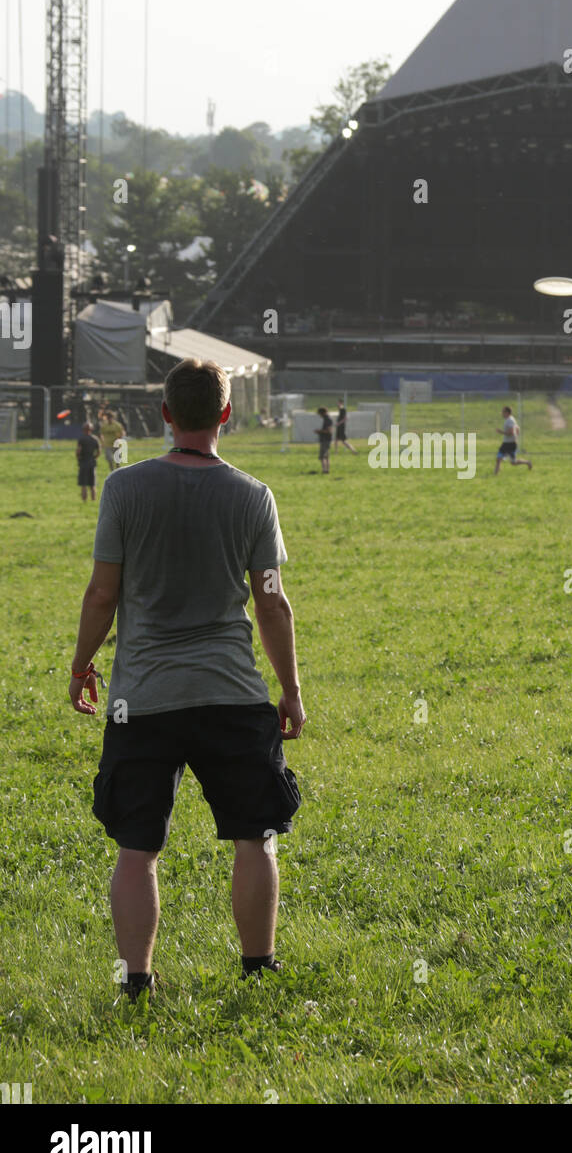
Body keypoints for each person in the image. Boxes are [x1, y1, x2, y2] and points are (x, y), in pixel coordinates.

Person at [67, 357, 305, 1001]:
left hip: (141, 700)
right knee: (255, 836)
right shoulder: (253, 495)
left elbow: (101, 593)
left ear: (166, 414)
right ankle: (258, 968)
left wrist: (82, 663)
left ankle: (137, 982)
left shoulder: (123, 489)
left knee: (136, 846)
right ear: (226, 413)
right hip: (233, 695)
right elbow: (272, 601)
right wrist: (289, 690)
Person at [494, 405, 532, 475]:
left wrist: (501, 432)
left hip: (510, 444)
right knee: (499, 459)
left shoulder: (510, 420)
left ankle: (527, 462)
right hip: (507, 443)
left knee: (513, 462)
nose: (501, 413)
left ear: (507, 412)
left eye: (503, 412)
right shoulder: (510, 419)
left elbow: (511, 432)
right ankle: (495, 474)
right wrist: (516, 436)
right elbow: (518, 428)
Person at [76, 422, 101, 501]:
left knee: (83, 484)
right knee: (92, 484)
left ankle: (84, 500)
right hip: (92, 462)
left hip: (83, 462)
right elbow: (99, 451)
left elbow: (78, 451)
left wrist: (78, 458)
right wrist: (94, 458)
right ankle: (93, 499)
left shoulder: (82, 439)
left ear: (83, 430)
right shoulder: (95, 439)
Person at [315, 406, 332, 472]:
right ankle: (327, 470)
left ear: (322, 413)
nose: (319, 415)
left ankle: (324, 470)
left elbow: (328, 431)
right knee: (326, 456)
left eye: (319, 414)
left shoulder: (327, 420)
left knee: (322, 456)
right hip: (327, 439)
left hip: (325, 440)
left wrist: (319, 431)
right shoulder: (326, 419)